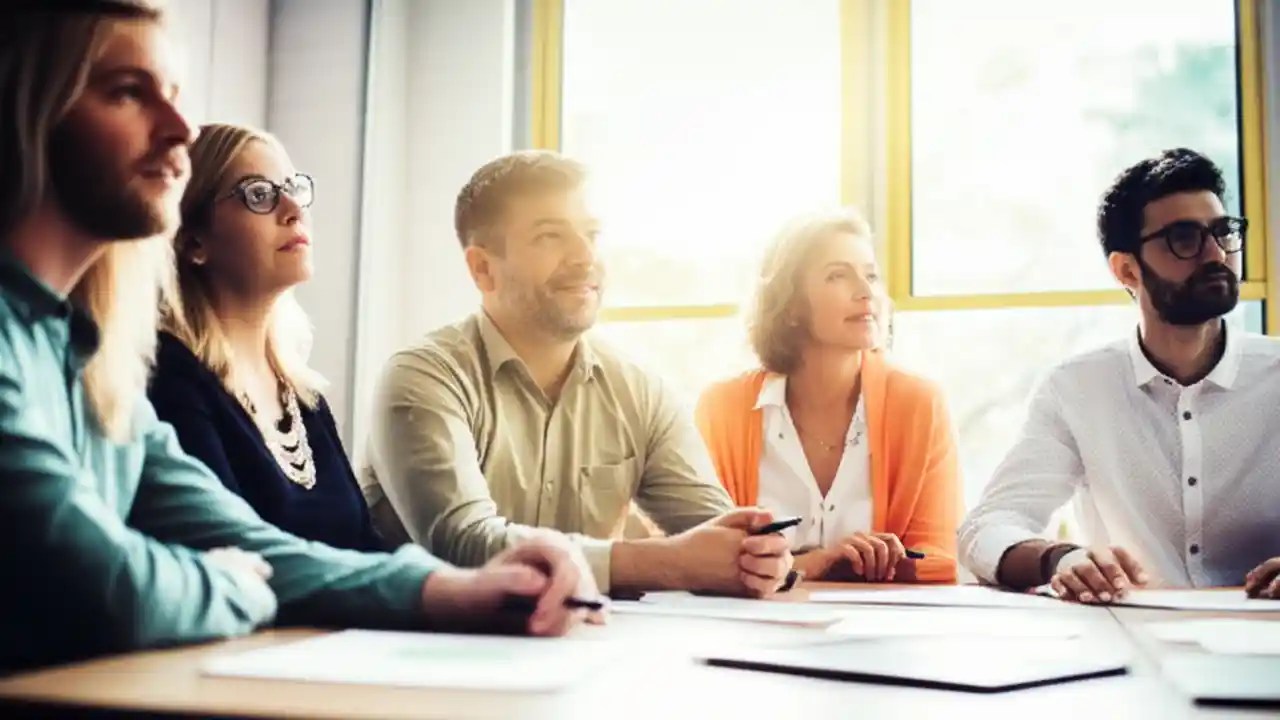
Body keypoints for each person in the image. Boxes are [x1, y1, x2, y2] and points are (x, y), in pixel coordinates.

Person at [0, 0, 596, 673]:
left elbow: (246, 541)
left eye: (173, 95)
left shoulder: (92, 357)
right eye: (128, 92)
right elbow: (111, 588)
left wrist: (461, 589)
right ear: (29, 109)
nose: (179, 129)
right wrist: (230, 581)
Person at [360, 150, 795, 597]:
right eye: (551, 237)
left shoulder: (640, 390)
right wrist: (672, 563)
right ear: (483, 269)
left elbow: (722, 543)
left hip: (583, 647)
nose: (586, 257)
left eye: (591, 234)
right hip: (425, 652)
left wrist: (756, 559)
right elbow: (464, 545)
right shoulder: (422, 378)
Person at [958, 148, 1280, 603]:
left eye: (1223, 232)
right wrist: (1060, 558)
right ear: (1126, 269)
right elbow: (985, 528)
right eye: (1184, 238)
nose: (1215, 253)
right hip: (1134, 644)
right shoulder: (1077, 390)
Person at [695, 208, 959, 585]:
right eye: (838, 275)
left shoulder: (919, 404)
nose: (866, 291)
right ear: (789, 306)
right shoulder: (723, 409)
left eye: (870, 275)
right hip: (753, 635)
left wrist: (885, 559)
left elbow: (940, 559)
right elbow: (699, 554)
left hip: (881, 633)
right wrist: (816, 563)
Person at [150, 123, 381, 552]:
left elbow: (364, 546)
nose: (293, 208)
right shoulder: (169, 378)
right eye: (259, 194)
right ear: (193, 241)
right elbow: (234, 553)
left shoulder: (302, 394)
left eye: (293, 188)